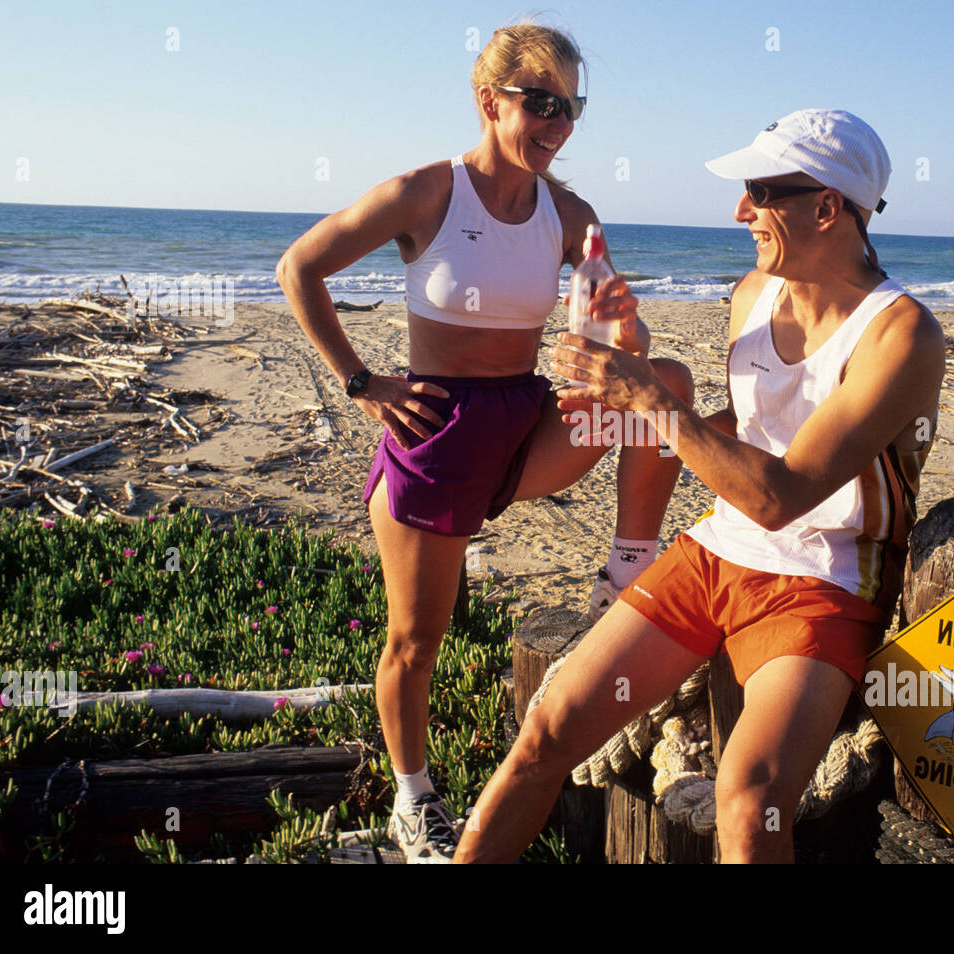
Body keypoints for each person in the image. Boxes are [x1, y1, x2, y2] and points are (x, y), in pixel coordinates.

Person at [452, 108, 945, 863]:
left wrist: (652, 399)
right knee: (547, 728)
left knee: (748, 803)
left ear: (827, 207)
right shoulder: (752, 295)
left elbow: (779, 494)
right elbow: (747, 429)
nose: (740, 211)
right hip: (716, 553)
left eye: (760, 191)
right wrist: (629, 379)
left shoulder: (900, 334)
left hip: (825, 578)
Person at [275, 23, 693, 863]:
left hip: (526, 427)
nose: (557, 124)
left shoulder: (571, 215)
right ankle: (415, 798)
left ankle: (627, 569)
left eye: (570, 108)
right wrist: (364, 386)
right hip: (434, 439)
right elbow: (299, 268)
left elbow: (625, 342)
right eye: (539, 102)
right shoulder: (428, 192)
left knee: (671, 387)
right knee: (414, 642)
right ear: (488, 101)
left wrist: (624, 327)